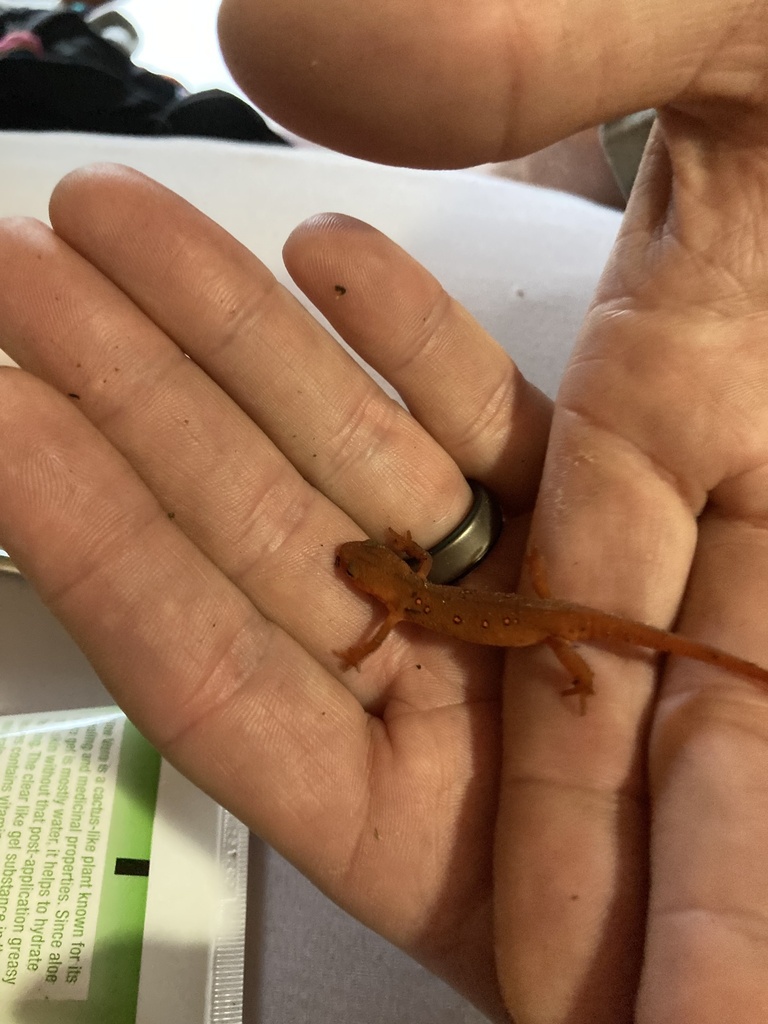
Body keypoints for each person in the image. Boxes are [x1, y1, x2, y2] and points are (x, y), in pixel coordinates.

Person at [2, 2, 768, 1022]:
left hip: (551, 624)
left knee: (580, 641)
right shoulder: (405, 585)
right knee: (566, 630)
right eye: (368, 565)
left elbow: (376, 627)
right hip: (540, 613)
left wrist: (382, 651)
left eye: (365, 571)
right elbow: (396, 571)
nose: (361, 573)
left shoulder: (402, 607)